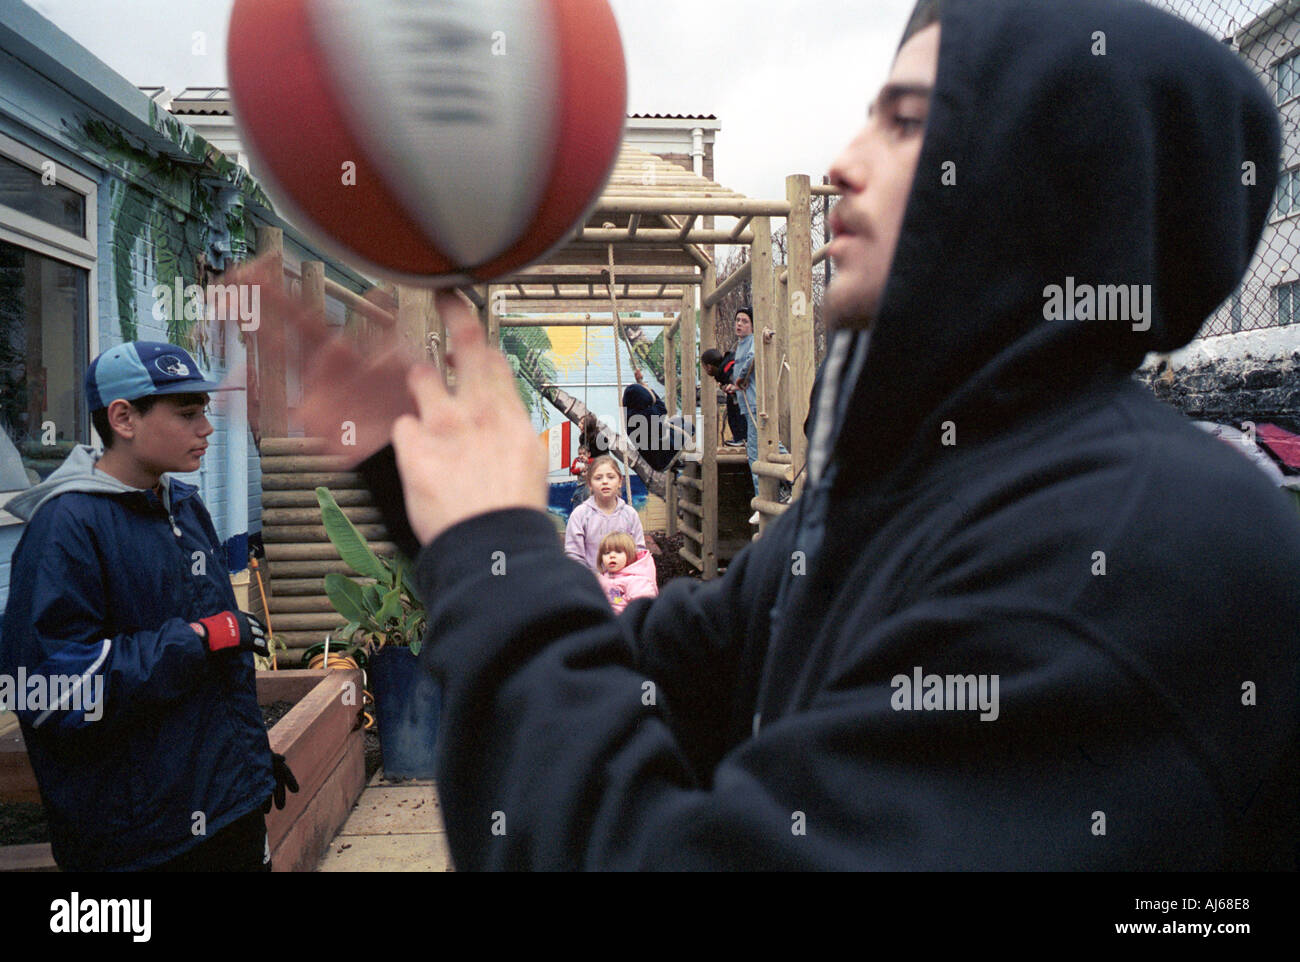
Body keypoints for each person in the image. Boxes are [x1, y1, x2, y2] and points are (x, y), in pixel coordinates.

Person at [237, 0, 1299, 869]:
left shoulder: (1144, 543)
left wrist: (497, 540)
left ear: (1043, 171)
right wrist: (427, 491)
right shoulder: (887, 502)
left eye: (904, 119)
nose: (840, 161)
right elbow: (639, 673)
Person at [0, 342, 297, 871]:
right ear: (123, 418)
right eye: (186, 414)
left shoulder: (183, 504)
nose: (206, 427)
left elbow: (217, 678)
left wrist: (250, 764)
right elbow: (48, 691)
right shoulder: (65, 528)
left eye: (204, 410)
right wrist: (198, 639)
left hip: (230, 810)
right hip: (140, 844)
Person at [563, 455, 645, 573]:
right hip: (591, 584)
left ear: (620, 481)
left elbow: (639, 553)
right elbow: (574, 556)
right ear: (590, 484)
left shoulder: (630, 515)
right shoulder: (580, 515)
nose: (605, 482)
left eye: (611, 477)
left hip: (626, 583)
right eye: (598, 478)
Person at [728, 306, 760, 494]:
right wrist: (734, 386)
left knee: (754, 454)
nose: (739, 324)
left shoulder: (753, 341)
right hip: (746, 405)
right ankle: (789, 484)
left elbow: (752, 359)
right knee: (762, 447)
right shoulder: (740, 345)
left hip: (755, 403)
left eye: (744, 321)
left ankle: (761, 495)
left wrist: (740, 379)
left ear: (753, 326)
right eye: (737, 320)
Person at [595, 531, 659, 612]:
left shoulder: (637, 581)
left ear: (629, 554)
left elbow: (642, 608)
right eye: (607, 553)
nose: (612, 556)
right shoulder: (601, 578)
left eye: (618, 552)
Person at [701, 347, 748, 447]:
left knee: (735, 408)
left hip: (746, 396)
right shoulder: (725, 367)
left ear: (709, 367)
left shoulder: (728, 368)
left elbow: (738, 382)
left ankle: (742, 438)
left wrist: (731, 387)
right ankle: (740, 437)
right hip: (741, 394)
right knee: (732, 406)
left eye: (704, 367)